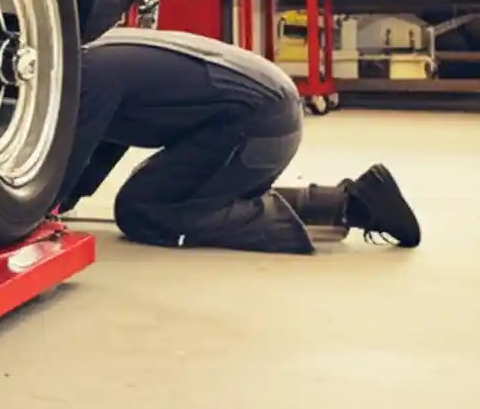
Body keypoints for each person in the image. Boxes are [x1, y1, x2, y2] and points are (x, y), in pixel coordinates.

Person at [57, 27, 421, 254]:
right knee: (164, 195)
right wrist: (67, 198)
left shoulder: (89, 77)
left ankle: (353, 209)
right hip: (254, 111)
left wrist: (37, 210)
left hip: (259, 121)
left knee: (146, 211)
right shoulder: (97, 52)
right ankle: (350, 199)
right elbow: (104, 140)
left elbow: (72, 150)